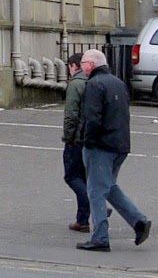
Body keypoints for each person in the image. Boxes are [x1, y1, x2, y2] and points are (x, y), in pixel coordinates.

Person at [77, 48, 152, 251]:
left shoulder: (94, 84)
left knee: (95, 191)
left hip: (101, 145)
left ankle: (100, 237)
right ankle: (138, 221)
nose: (81, 66)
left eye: (83, 62)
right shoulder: (117, 83)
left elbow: (92, 118)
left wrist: (87, 142)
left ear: (91, 64)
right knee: (109, 187)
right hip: (120, 144)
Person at [60, 53, 90, 232]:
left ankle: (94, 205)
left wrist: (68, 137)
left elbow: (71, 114)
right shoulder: (92, 82)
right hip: (91, 137)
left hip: (77, 138)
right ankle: (82, 220)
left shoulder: (75, 85)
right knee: (84, 178)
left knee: (71, 176)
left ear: (73, 66)